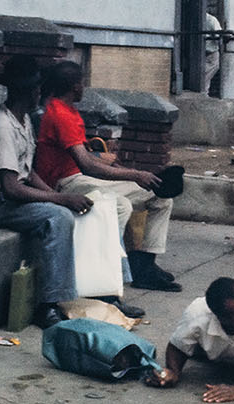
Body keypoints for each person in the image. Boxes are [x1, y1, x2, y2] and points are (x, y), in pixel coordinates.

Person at [0, 55, 92, 330]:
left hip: (9, 196)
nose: (40, 93)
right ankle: (48, 305)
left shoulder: (22, 121)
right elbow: (11, 187)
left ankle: (80, 291)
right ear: (28, 91)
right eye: (37, 89)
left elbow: (27, 171)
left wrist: (58, 196)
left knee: (70, 211)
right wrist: (60, 199)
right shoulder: (2, 127)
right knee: (58, 218)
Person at [34, 60, 181, 292]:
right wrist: (134, 175)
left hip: (81, 178)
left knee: (160, 197)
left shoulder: (67, 110)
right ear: (75, 86)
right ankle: (107, 274)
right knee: (120, 205)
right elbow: (86, 167)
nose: (84, 87)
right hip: (66, 184)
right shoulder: (60, 115)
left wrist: (110, 163)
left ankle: (144, 266)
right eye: (82, 83)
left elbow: (82, 156)